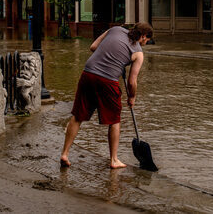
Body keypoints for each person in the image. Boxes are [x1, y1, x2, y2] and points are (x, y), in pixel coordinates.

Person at [60, 22, 153, 169]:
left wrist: (112, 56)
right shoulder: (138, 53)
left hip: (88, 74)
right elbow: (132, 81)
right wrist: (132, 97)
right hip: (108, 81)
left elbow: (93, 47)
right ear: (142, 36)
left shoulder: (115, 29)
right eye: (147, 40)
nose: (146, 43)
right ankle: (114, 160)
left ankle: (65, 154)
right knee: (114, 120)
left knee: (78, 116)